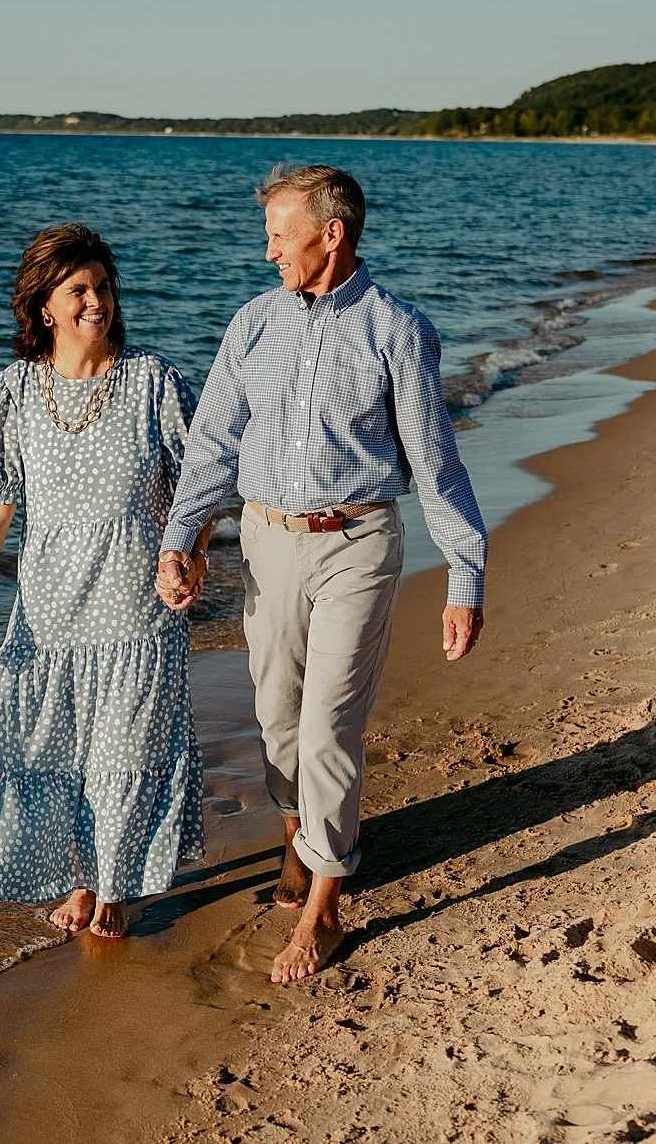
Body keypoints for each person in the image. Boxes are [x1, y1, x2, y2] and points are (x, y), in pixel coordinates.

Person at [156, 164, 488, 984]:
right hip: (265, 541)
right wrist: (182, 534)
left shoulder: (396, 332)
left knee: (328, 722)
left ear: (329, 233)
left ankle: (326, 905)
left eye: (279, 232)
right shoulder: (253, 325)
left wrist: (465, 575)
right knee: (275, 716)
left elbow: (437, 468)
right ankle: (298, 834)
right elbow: (211, 444)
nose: (268, 250)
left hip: (357, 543)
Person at [0, 223, 211, 939]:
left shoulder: (152, 380)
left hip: (136, 607)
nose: (96, 301)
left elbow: (200, 483)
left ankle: (116, 886)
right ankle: (79, 875)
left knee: (124, 755)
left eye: (102, 287)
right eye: (79, 290)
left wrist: (191, 556)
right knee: (48, 747)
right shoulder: (13, 391)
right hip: (49, 612)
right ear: (44, 306)